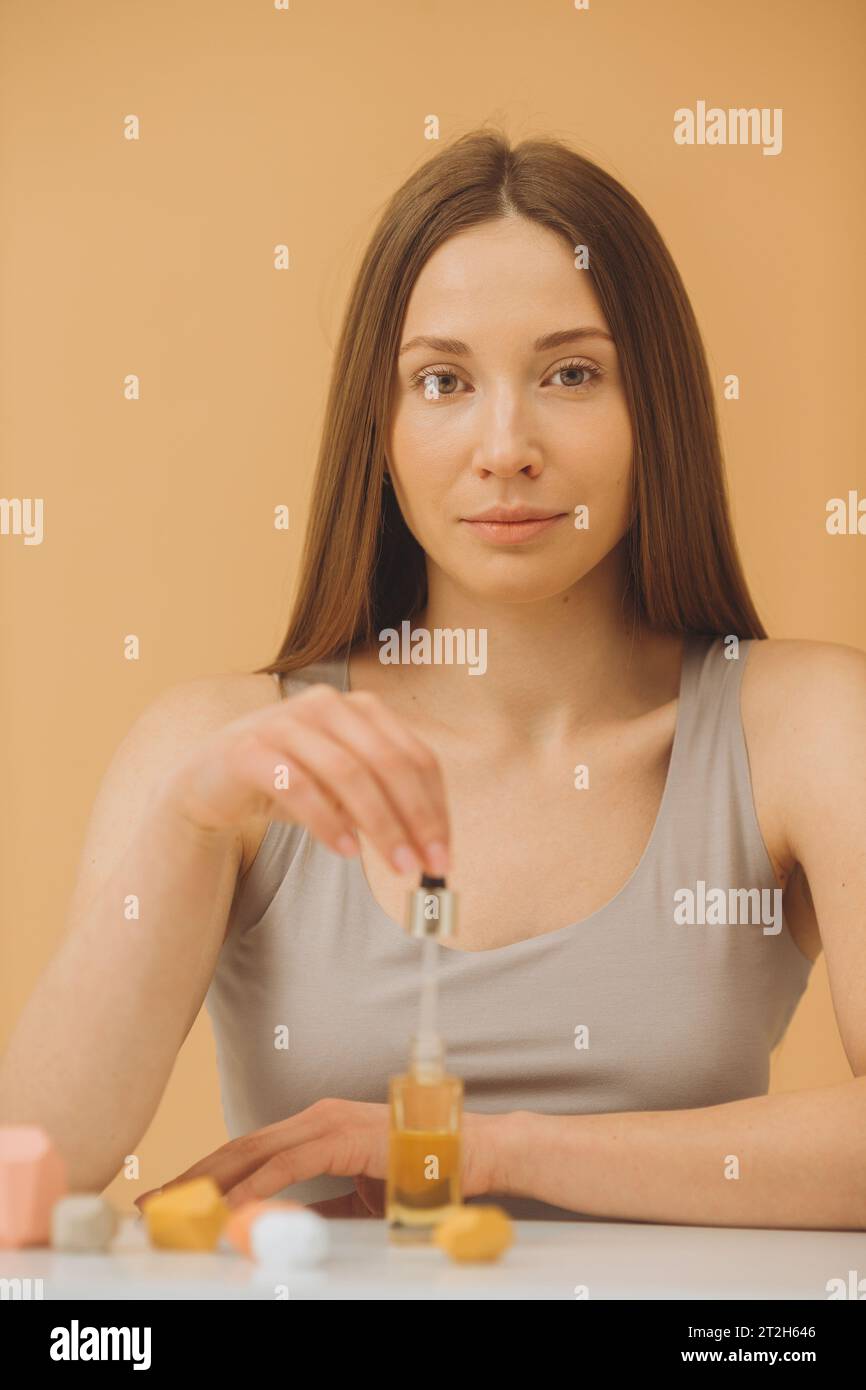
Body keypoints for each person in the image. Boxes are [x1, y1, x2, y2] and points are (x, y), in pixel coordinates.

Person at [3, 129, 864, 1228]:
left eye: (569, 373)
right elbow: (27, 1176)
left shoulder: (802, 726)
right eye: (442, 380)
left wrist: (474, 1148)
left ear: (657, 405)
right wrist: (182, 826)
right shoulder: (214, 752)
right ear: (383, 420)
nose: (505, 445)